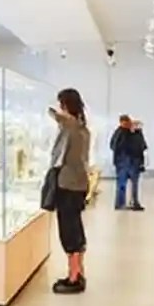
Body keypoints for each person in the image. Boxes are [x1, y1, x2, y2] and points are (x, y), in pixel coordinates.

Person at [49, 88, 91, 294]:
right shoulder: (83, 128)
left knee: (69, 231)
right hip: (79, 185)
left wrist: (53, 112)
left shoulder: (71, 126)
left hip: (68, 185)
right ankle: (77, 271)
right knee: (75, 228)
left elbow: (60, 118)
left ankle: (74, 277)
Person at [109, 114, 143, 211]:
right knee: (121, 184)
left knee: (134, 184)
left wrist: (136, 131)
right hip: (122, 162)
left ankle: (134, 202)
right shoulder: (119, 132)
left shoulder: (136, 133)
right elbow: (113, 145)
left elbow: (141, 146)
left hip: (134, 162)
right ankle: (120, 203)